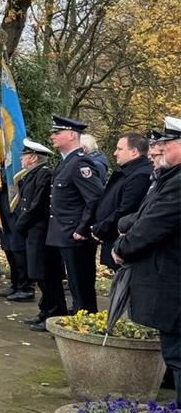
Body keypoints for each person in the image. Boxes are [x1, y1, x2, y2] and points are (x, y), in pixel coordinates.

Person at [112, 117, 180, 393]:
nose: (160, 149)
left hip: (173, 282)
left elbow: (152, 225)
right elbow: (143, 216)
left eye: (167, 143)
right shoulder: (171, 178)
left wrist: (121, 248)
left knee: (177, 355)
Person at [46, 116, 104, 313]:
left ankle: (84, 320)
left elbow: (95, 199)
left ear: (71, 134)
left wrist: (82, 229)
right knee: (74, 283)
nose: (52, 136)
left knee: (81, 283)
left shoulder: (80, 164)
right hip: (64, 233)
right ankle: (77, 319)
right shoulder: (66, 163)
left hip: (75, 235)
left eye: (57, 132)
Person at [13, 138, 65, 331]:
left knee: (46, 274)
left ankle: (54, 312)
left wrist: (20, 224)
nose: (21, 158)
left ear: (34, 158)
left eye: (24, 155)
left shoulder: (44, 175)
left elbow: (36, 206)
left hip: (41, 231)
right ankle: (45, 310)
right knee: (39, 274)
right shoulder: (31, 175)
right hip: (33, 231)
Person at [90, 133, 153, 271]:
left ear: (134, 151)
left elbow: (126, 210)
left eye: (119, 149)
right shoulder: (130, 172)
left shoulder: (140, 175)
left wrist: (101, 229)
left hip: (124, 244)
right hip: (115, 240)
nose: (115, 153)